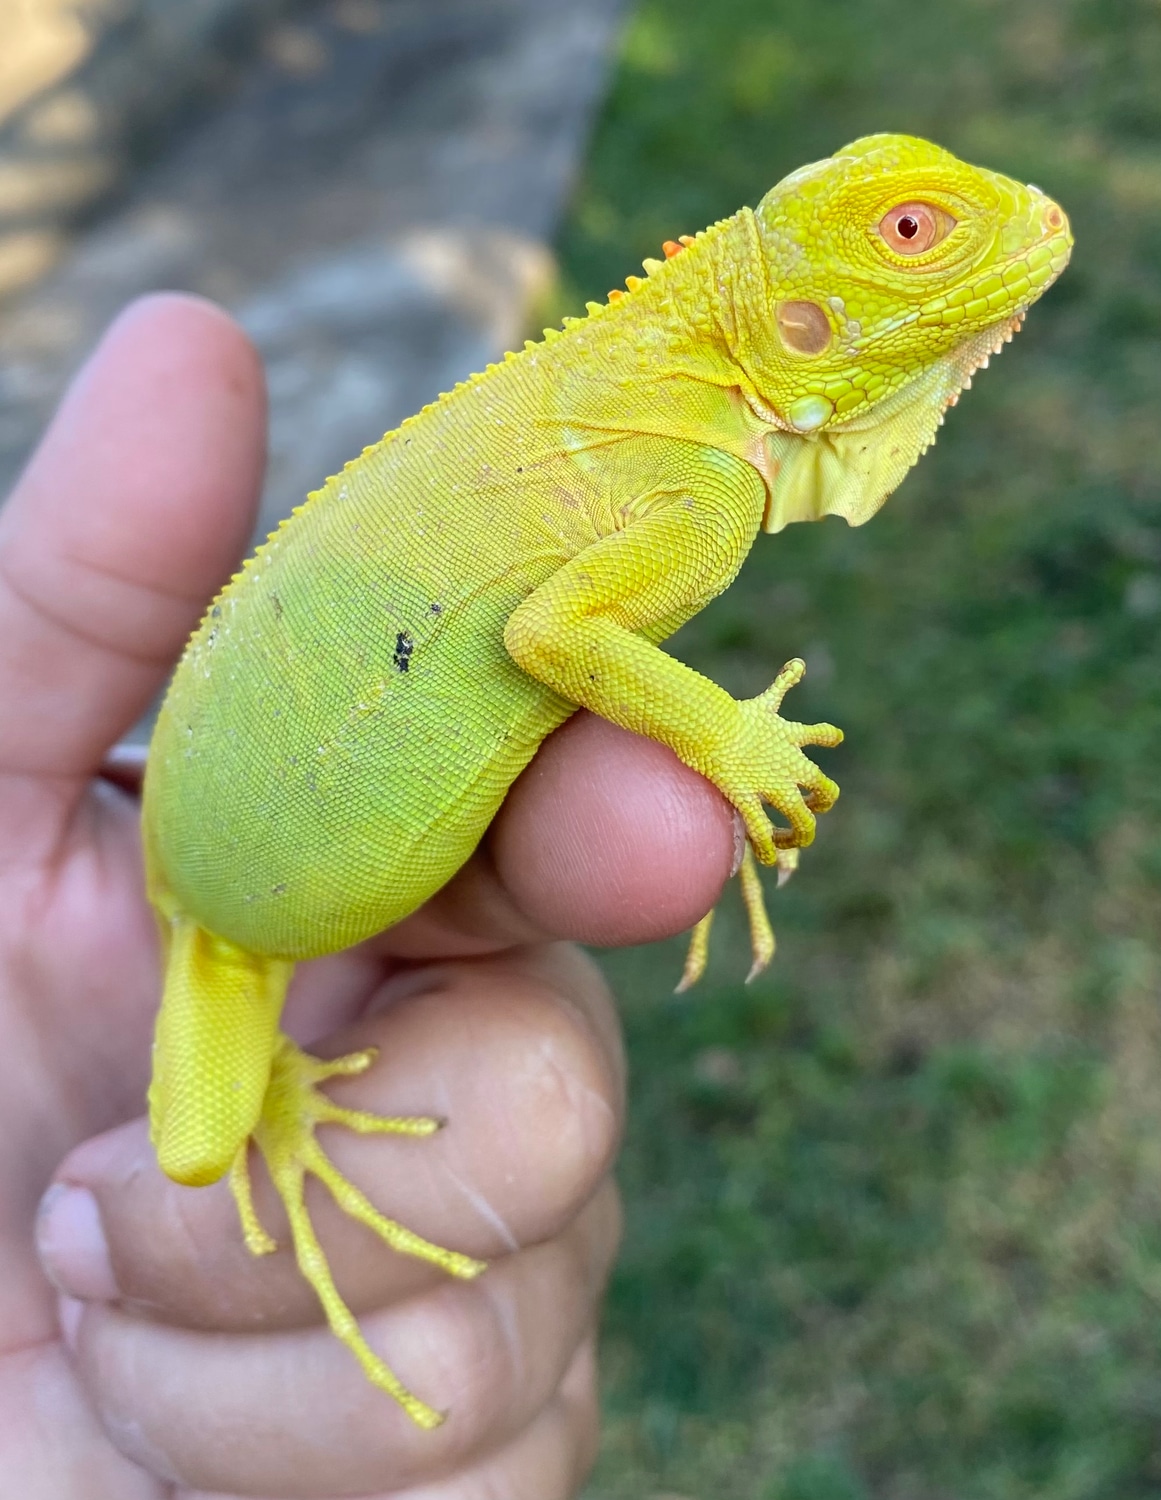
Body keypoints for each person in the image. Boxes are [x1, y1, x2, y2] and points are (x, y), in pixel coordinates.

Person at [0, 294, 739, 1497]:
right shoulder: (691, 488)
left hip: (238, 855)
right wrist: (732, 743)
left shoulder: (688, 469)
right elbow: (560, 632)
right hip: (219, 911)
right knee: (199, 1153)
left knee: (637, 851)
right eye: (910, 236)